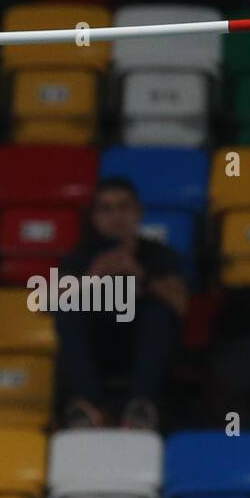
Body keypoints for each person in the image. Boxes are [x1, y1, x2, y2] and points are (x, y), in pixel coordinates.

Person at [54, 176, 190, 431]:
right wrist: (92, 278)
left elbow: (181, 305)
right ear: (94, 218)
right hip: (96, 350)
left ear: (138, 212)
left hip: (145, 350)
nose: (116, 216)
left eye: (123, 207)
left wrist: (143, 277)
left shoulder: (160, 255)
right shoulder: (80, 256)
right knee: (68, 309)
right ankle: (88, 407)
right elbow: (44, 302)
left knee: (159, 312)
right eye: (106, 209)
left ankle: (141, 408)